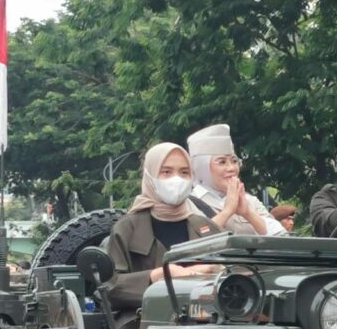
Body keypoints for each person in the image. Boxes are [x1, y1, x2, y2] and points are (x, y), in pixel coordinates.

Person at [107, 143, 223, 310]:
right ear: (150, 175)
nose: (176, 179)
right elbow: (110, 288)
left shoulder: (206, 227)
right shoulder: (128, 228)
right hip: (143, 323)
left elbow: (237, 276)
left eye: (184, 172)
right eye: (166, 172)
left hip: (207, 321)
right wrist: (159, 275)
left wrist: (214, 269)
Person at [186, 124, 286, 237]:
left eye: (234, 161)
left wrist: (248, 213)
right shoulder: (189, 204)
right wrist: (227, 211)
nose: (232, 168)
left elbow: (281, 237)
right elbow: (195, 241)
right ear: (202, 168)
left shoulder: (250, 201)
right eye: (222, 162)